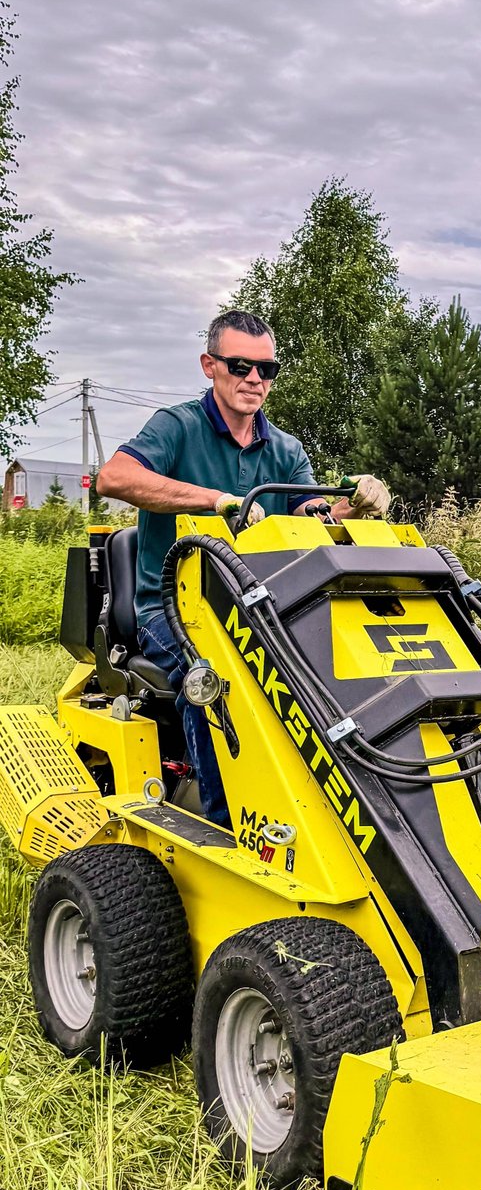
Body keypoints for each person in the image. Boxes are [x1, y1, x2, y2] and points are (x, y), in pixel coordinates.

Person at [96, 309, 390, 825]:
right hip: (172, 607)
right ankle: (224, 824)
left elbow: (306, 515)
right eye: (239, 366)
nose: (254, 379)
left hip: (258, 605)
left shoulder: (286, 449)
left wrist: (349, 506)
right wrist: (215, 500)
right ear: (210, 365)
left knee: (339, 673)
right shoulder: (177, 428)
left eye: (266, 370)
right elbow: (114, 478)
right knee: (213, 677)